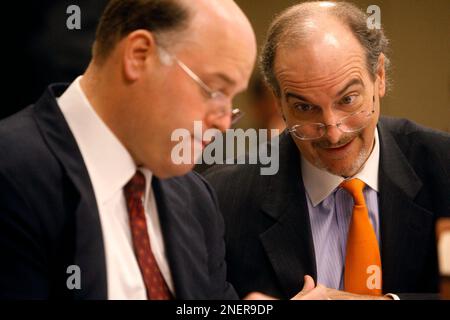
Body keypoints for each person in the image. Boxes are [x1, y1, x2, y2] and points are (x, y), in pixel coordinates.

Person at [0, 0, 265, 300]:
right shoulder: (13, 173)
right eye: (215, 91)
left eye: (231, 101)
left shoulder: (195, 198)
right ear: (139, 55)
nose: (223, 123)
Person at [204, 1, 450, 300]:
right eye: (305, 108)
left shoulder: (443, 166)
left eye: (348, 100)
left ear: (380, 77)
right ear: (279, 103)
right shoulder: (221, 198)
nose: (333, 132)